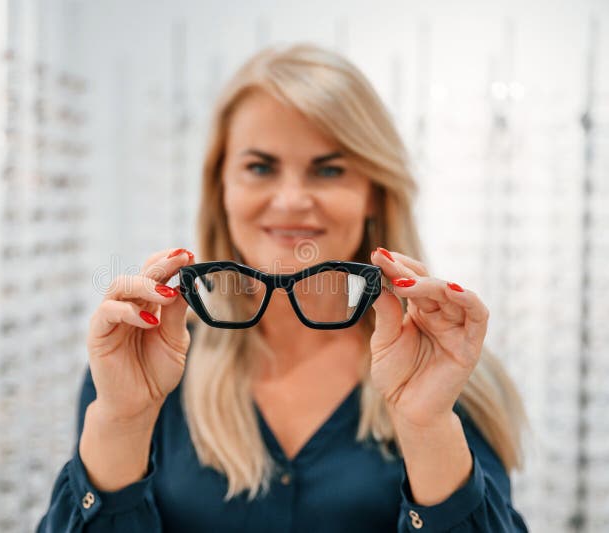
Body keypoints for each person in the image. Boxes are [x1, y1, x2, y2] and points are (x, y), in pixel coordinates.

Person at [36, 42, 529, 532]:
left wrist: (428, 429)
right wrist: (122, 423)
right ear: (221, 189)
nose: (291, 200)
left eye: (329, 169)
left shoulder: (447, 373)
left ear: (373, 193)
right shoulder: (142, 361)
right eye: (260, 167)